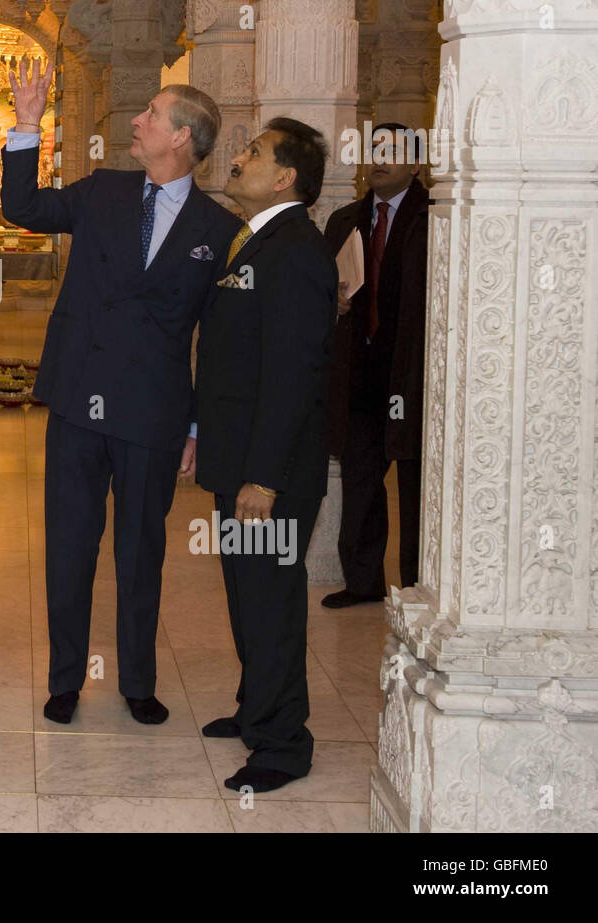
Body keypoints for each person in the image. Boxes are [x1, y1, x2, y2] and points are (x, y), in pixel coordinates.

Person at [2, 58, 242, 726]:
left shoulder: (218, 230)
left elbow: (217, 343)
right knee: (70, 545)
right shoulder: (103, 190)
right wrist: (28, 124)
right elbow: (23, 207)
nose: (137, 121)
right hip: (80, 400)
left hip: (154, 414)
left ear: (183, 138)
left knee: (141, 550)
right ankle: (65, 679)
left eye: (152, 115)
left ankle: (138, 679)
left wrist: (196, 427)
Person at [193, 118, 338, 793]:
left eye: (253, 152)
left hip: (269, 472)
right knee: (248, 595)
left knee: (271, 602)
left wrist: (263, 477)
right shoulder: (258, 241)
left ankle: (283, 743)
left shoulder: (298, 253)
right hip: (242, 457)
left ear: (284, 178)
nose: (238, 158)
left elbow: (293, 374)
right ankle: (258, 711)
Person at [321, 129, 428, 607]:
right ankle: (362, 581)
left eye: (393, 154)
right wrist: (334, 304)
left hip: (414, 372)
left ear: (417, 166)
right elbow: (326, 290)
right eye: (374, 152)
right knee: (361, 479)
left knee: (416, 485)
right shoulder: (346, 220)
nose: (379, 161)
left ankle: (415, 585)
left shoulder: (437, 216)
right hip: (359, 372)